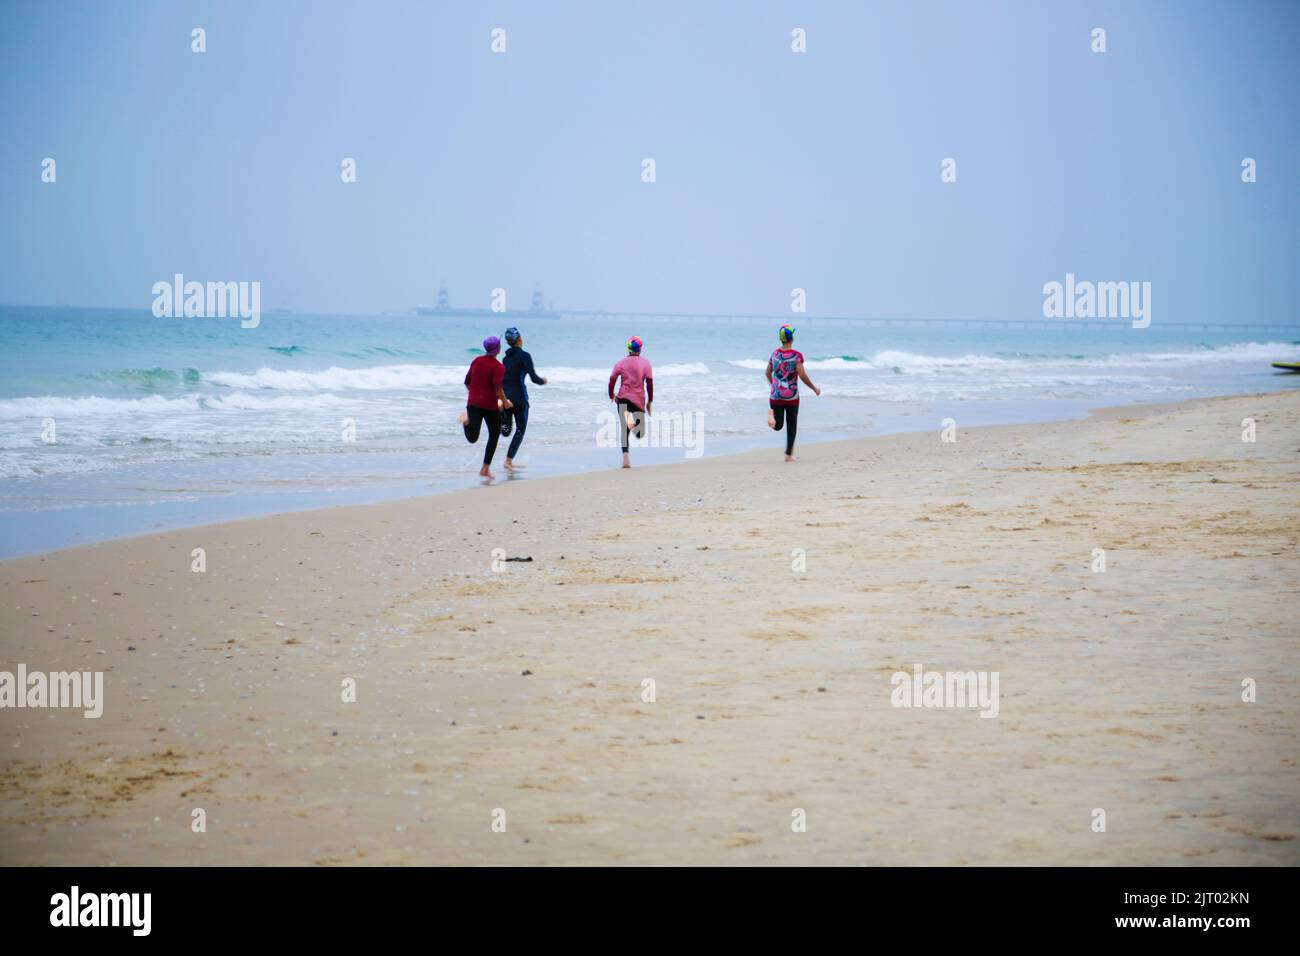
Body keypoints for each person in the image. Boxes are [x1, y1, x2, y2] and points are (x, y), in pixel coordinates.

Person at [458, 335, 512, 478]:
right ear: (498, 349)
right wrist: (505, 402)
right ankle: (485, 468)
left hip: (473, 403)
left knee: (472, 437)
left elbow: (467, 382)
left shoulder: (476, 361)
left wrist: (475, 394)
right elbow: (498, 389)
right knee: (494, 435)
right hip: (490, 405)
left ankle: (465, 421)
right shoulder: (499, 367)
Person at [765, 325, 820, 461]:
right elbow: (802, 375)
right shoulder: (796, 356)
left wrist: (774, 386)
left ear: (781, 339)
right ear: (792, 338)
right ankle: (788, 455)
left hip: (776, 395)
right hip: (792, 397)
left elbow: (767, 372)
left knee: (778, 426)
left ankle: (770, 415)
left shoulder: (775, 354)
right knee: (792, 424)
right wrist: (814, 388)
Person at [499, 326, 547, 470]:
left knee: (506, 431)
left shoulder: (505, 358)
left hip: (506, 398)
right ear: (519, 339)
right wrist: (542, 381)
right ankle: (508, 460)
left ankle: (501, 415)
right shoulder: (525, 356)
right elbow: (533, 378)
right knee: (520, 429)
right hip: (519, 398)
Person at [608, 335, 652, 469]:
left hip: (622, 399)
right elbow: (649, 383)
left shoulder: (620, 363)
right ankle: (625, 459)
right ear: (641, 349)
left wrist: (612, 395)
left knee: (625, 429)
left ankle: (625, 458)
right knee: (640, 433)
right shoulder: (646, 363)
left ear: (628, 348)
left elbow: (612, 379)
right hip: (638, 401)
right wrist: (650, 401)